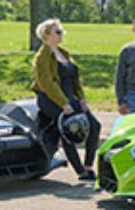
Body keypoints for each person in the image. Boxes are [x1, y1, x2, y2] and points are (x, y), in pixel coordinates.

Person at [33, 18, 101, 181]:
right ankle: (81, 171)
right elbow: (47, 84)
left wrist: (82, 99)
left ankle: (88, 166)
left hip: (70, 98)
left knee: (94, 125)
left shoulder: (64, 53)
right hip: (51, 99)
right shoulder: (42, 56)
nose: (61, 34)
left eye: (61, 31)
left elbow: (75, 79)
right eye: (58, 32)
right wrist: (63, 104)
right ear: (47, 34)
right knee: (68, 130)